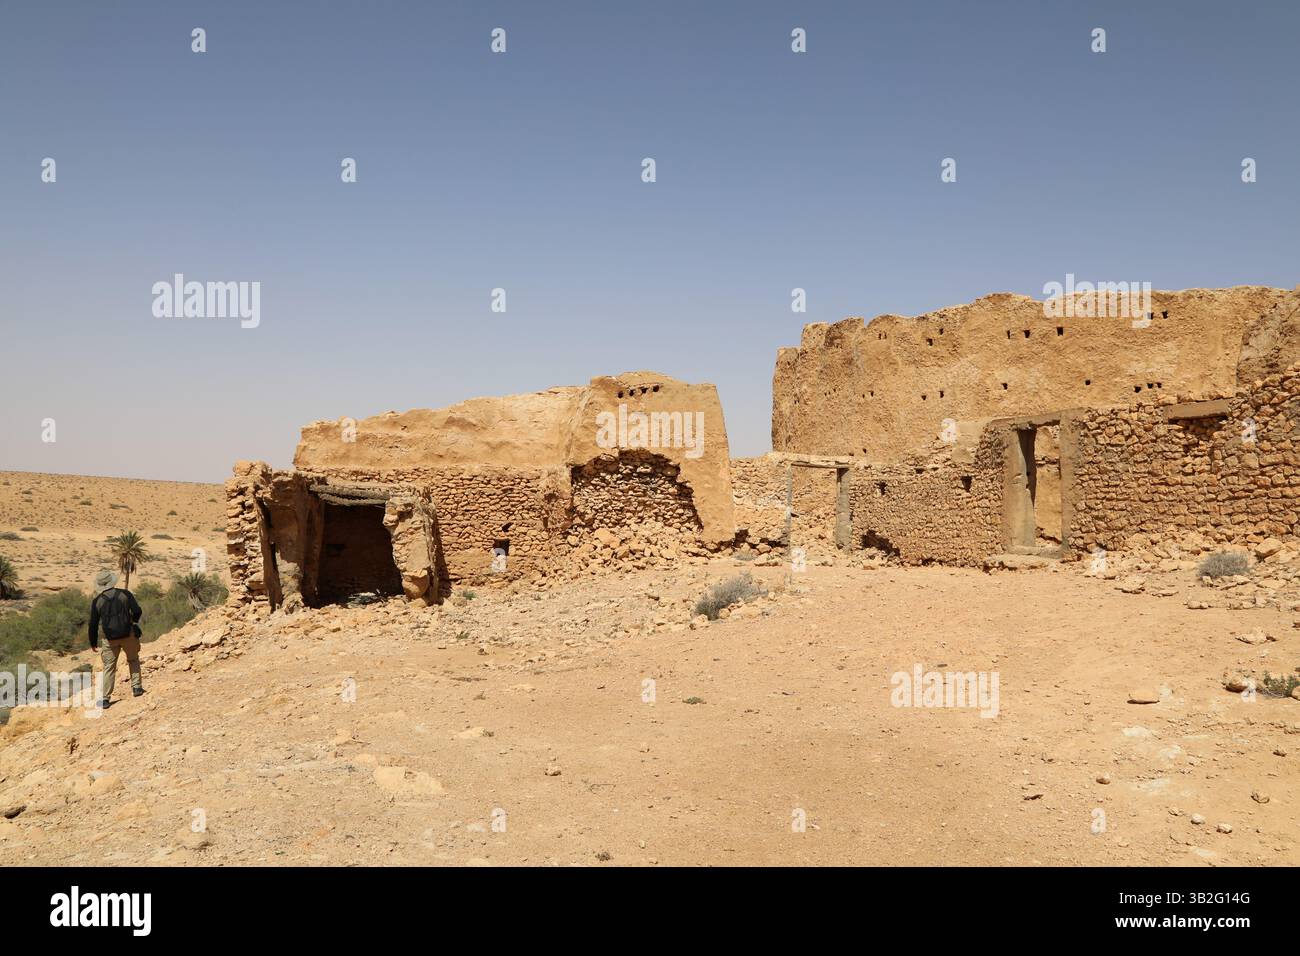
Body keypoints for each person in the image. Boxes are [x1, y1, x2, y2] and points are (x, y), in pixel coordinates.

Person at [88, 569, 144, 709]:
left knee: (109, 668)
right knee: (133, 659)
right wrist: (133, 621)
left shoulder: (97, 601)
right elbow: (137, 610)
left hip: (109, 639)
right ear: (112, 581)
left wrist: (93, 642)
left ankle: (106, 699)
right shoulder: (125, 594)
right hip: (128, 634)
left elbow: (93, 624)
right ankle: (137, 688)